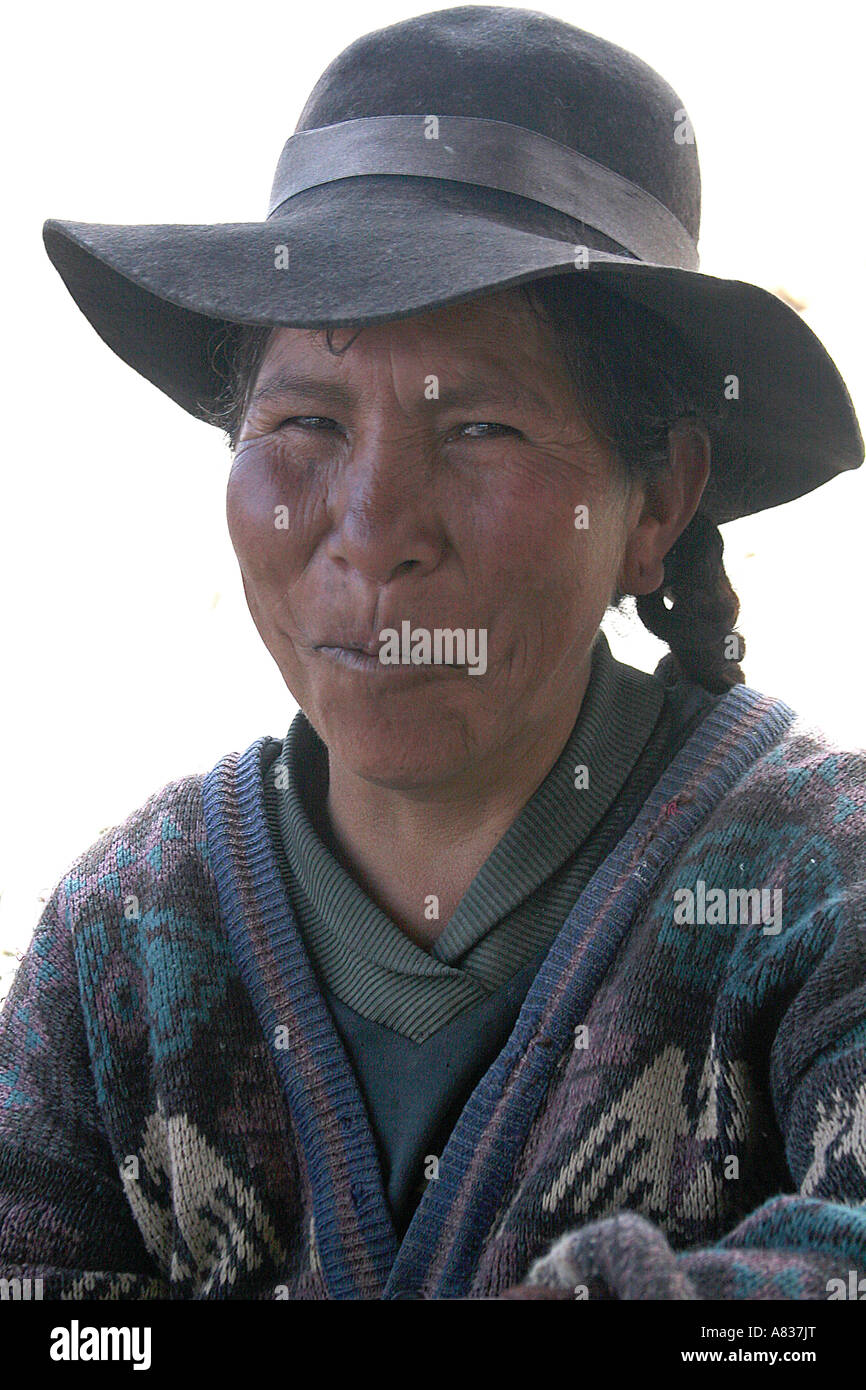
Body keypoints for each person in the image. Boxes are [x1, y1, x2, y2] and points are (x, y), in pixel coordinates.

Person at [1, 6, 864, 1301]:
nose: (370, 534)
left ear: (659, 501)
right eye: (303, 419)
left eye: (479, 430)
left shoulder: (815, 895)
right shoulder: (122, 935)